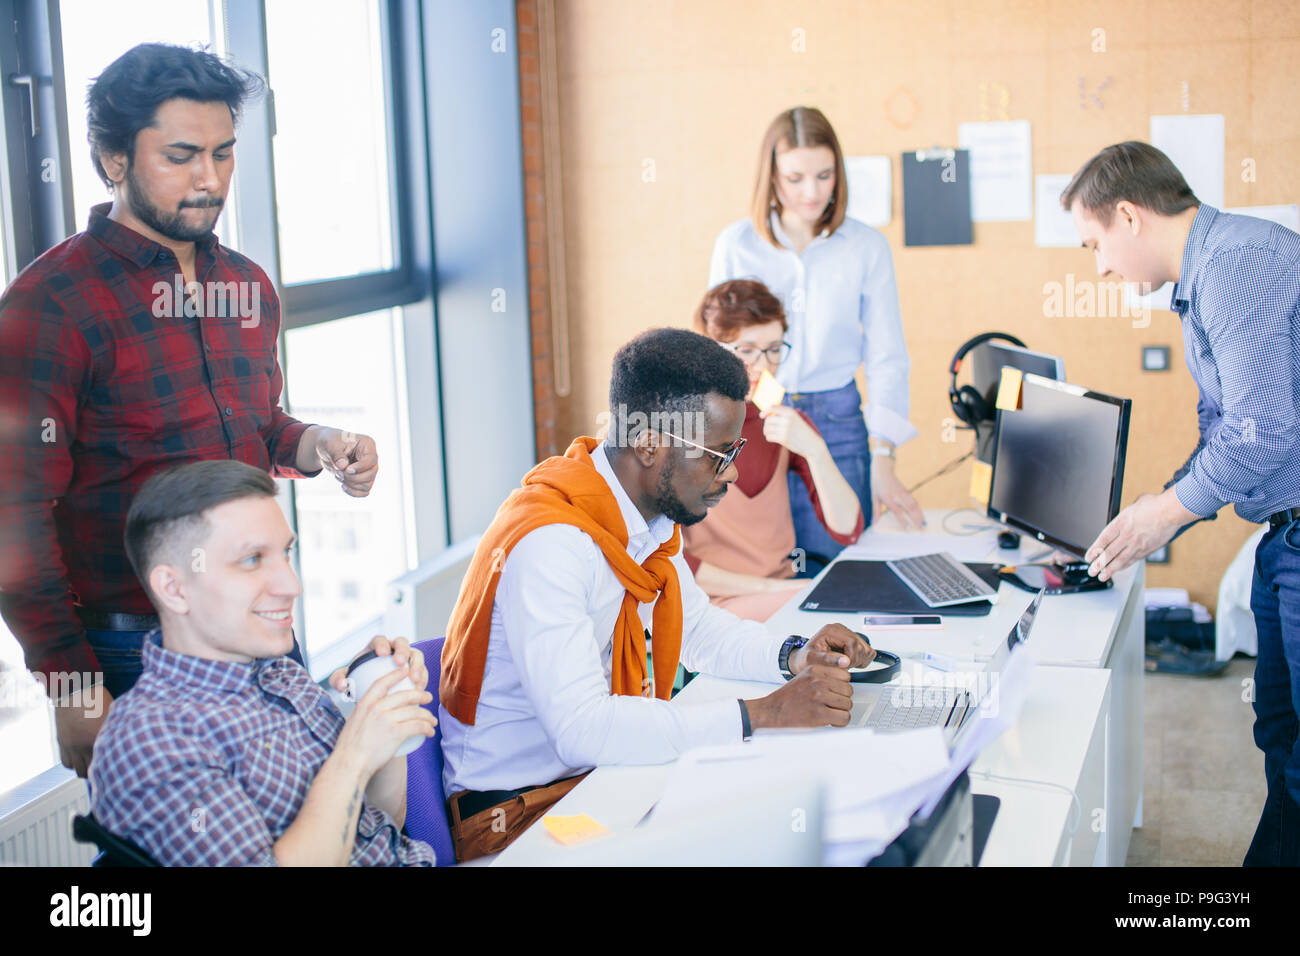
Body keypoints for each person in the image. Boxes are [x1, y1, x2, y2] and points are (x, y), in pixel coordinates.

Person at [0, 43, 379, 779]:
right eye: (181, 156)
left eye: (224, 154)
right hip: (136, 650)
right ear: (113, 158)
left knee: (302, 830)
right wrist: (71, 685)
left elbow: (256, 430)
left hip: (263, 621)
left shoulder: (247, 286)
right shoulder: (49, 308)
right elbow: (13, 519)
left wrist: (320, 443)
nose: (210, 180)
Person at [438, 327, 875, 861]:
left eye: (733, 449)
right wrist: (761, 714)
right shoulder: (551, 546)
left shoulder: (642, 520)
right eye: (717, 454)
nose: (732, 471)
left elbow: (702, 630)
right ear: (649, 445)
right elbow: (582, 729)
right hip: (520, 816)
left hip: (599, 778)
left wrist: (795, 654)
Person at [1062, 141, 1300, 866]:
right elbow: (1225, 428)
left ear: (1129, 217)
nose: (1098, 266)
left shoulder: (1235, 264)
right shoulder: (1207, 274)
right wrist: (1158, 503)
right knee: (1281, 736)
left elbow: (1264, 433)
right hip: (1281, 535)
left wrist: (1165, 515)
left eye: (1094, 243)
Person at [89, 460, 436, 866]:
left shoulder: (281, 674)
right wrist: (354, 756)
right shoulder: (151, 740)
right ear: (174, 588)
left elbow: (382, 827)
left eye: (284, 554)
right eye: (252, 560)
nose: (292, 586)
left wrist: (380, 713)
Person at [709, 106, 923, 574]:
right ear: (771, 175)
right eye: (795, 177)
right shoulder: (736, 244)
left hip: (837, 418)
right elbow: (716, 347)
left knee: (842, 562)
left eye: (824, 175)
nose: (812, 192)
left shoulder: (866, 247)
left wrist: (883, 455)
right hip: (756, 415)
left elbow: (887, 357)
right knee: (768, 564)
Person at [683, 279, 864, 620]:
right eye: (746, 349)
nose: (764, 365)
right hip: (709, 607)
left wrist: (815, 449)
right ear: (710, 350)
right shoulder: (681, 428)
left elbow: (847, 528)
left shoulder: (783, 421)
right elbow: (670, 562)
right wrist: (775, 590)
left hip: (781, 597)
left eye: (775, 349)